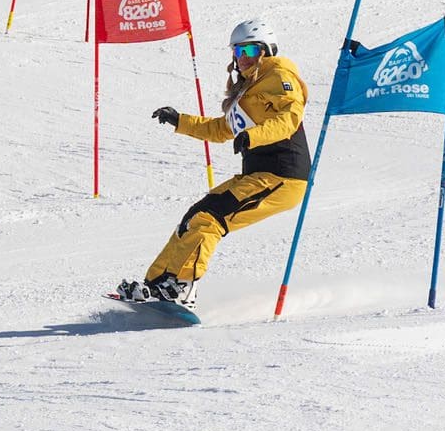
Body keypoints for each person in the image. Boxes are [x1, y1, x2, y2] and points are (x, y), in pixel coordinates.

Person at [116, 18, 311, 305]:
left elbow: (289, 119)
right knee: (194, 217)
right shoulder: (248, 89)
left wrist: (253, 136)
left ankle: (182, 286)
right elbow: (222, 130)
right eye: (237, 52)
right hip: (258, 175)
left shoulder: (281, 78)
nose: (241, 59)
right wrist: (180, 121)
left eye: (248, 52)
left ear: (266, 51)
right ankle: (157, 284)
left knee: (210, 221)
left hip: (282, 176)